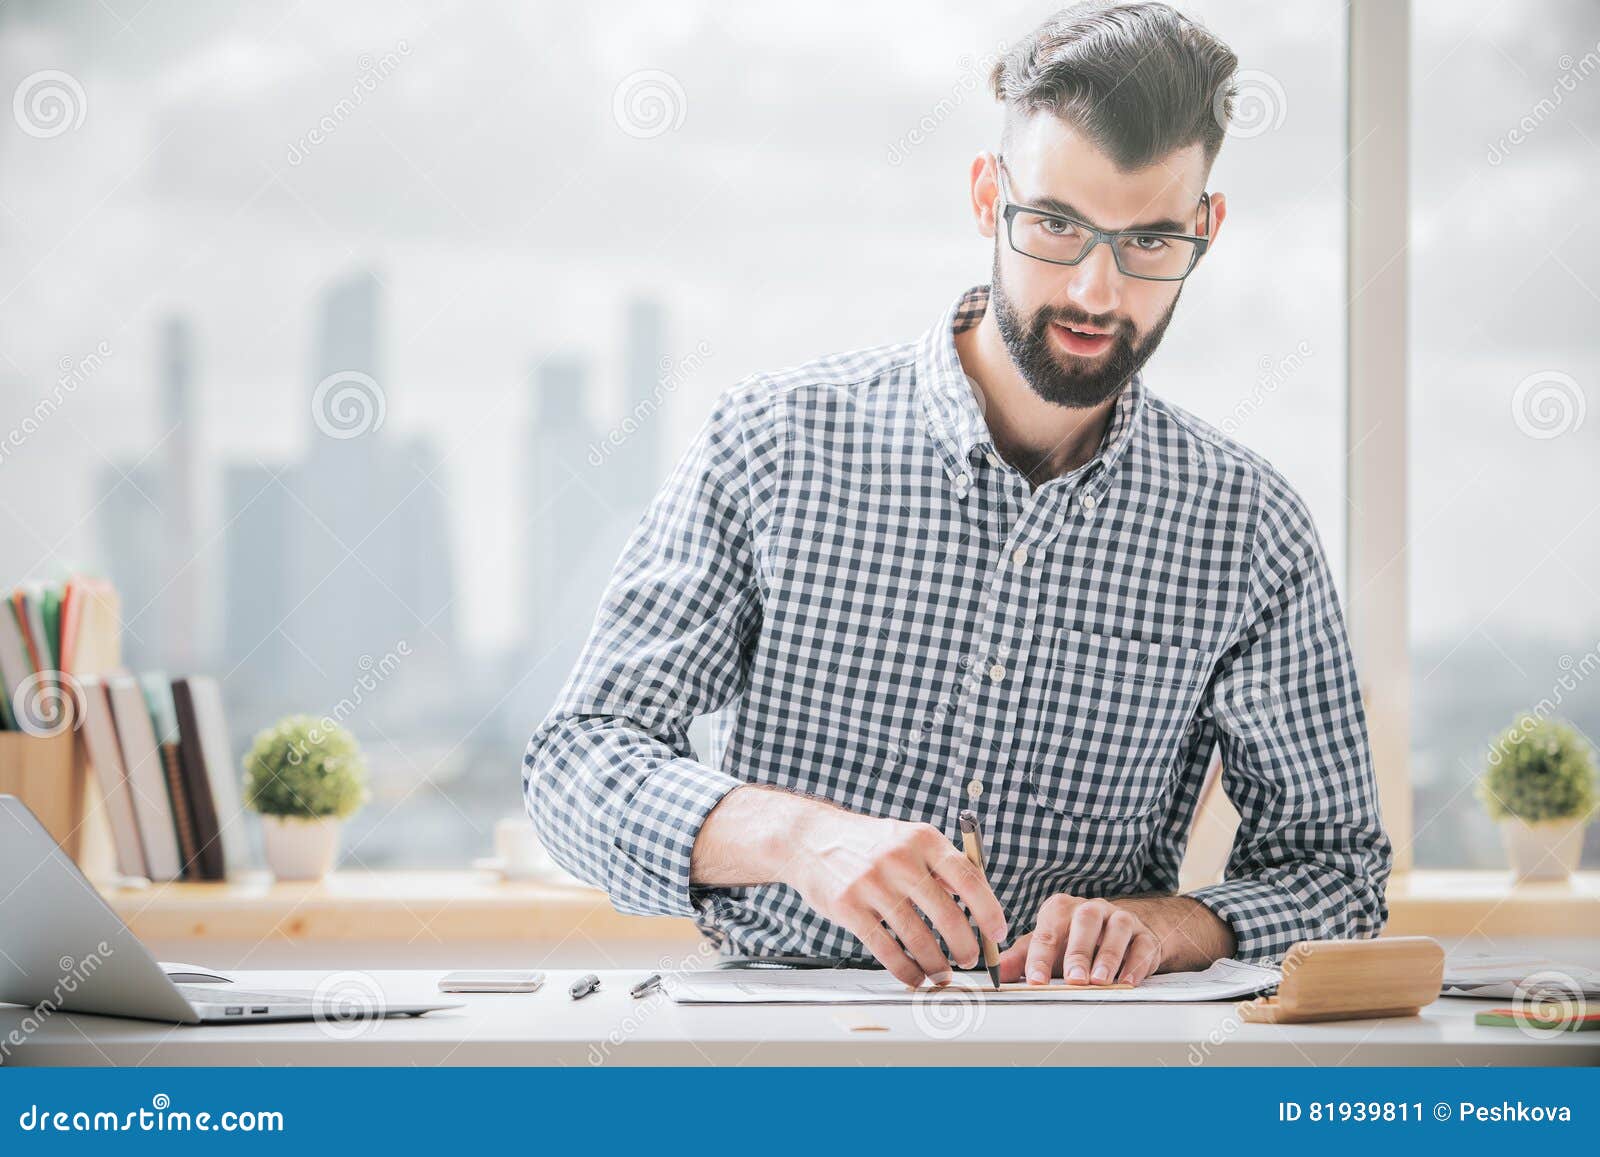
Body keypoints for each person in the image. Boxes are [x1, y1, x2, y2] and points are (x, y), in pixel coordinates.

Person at [524, 0, 1392, 989]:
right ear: (988, 197)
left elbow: (1334, 870)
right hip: (778, 1049)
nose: (1098, 293)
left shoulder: (1247, 527)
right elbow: (577, 766)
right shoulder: (773, 443)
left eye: (1149, 242)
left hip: (1080, 1066)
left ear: (1206, 226)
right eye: (1056, 225)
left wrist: (1168, 924)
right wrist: (795, 834)